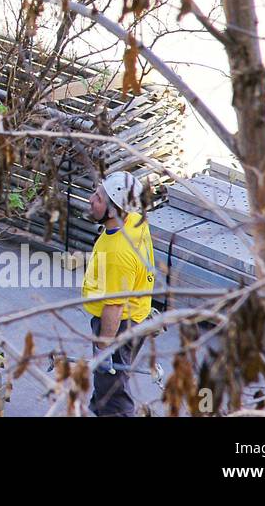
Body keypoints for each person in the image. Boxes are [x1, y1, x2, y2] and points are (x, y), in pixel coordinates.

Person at [80, 170, 156, 416]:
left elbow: (113, 307)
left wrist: (104, 349)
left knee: (113, 391)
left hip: (118, 325)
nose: (91, 199)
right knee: (108, 387)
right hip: (137, 312)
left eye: (99, 198)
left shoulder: (117, 254)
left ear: (113, 211)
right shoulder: (135, 221)